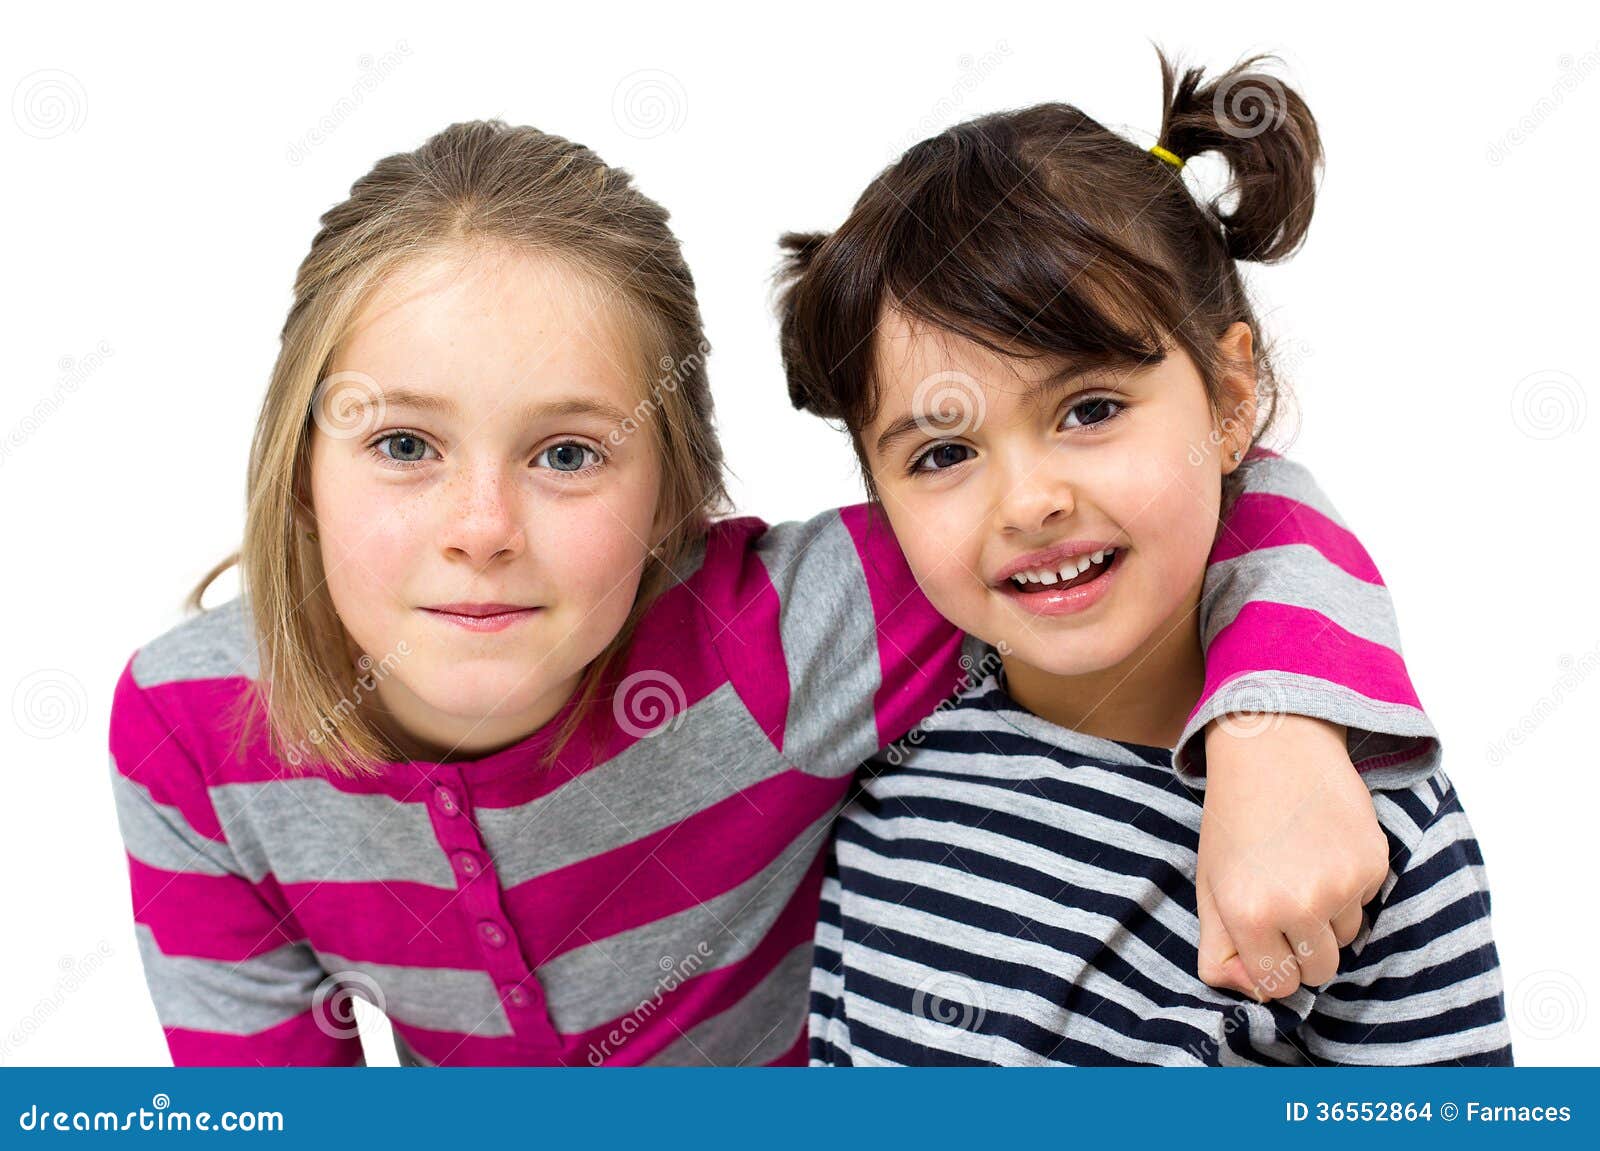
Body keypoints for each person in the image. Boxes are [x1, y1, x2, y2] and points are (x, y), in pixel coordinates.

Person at [112, 116, 1437, 1066]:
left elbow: (1170, 496)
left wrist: (1278, 730)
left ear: (678, 498)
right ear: (298, 466)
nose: (481, 529)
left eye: (569, 454)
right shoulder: (192, 735)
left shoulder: (782, 639)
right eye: (403, 445)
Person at [778, 49, 1511, 1064]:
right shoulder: (875, 723)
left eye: (1090, 408)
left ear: (1226, 394)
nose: (1029, 500)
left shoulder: (1369, 815)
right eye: (943, 452)